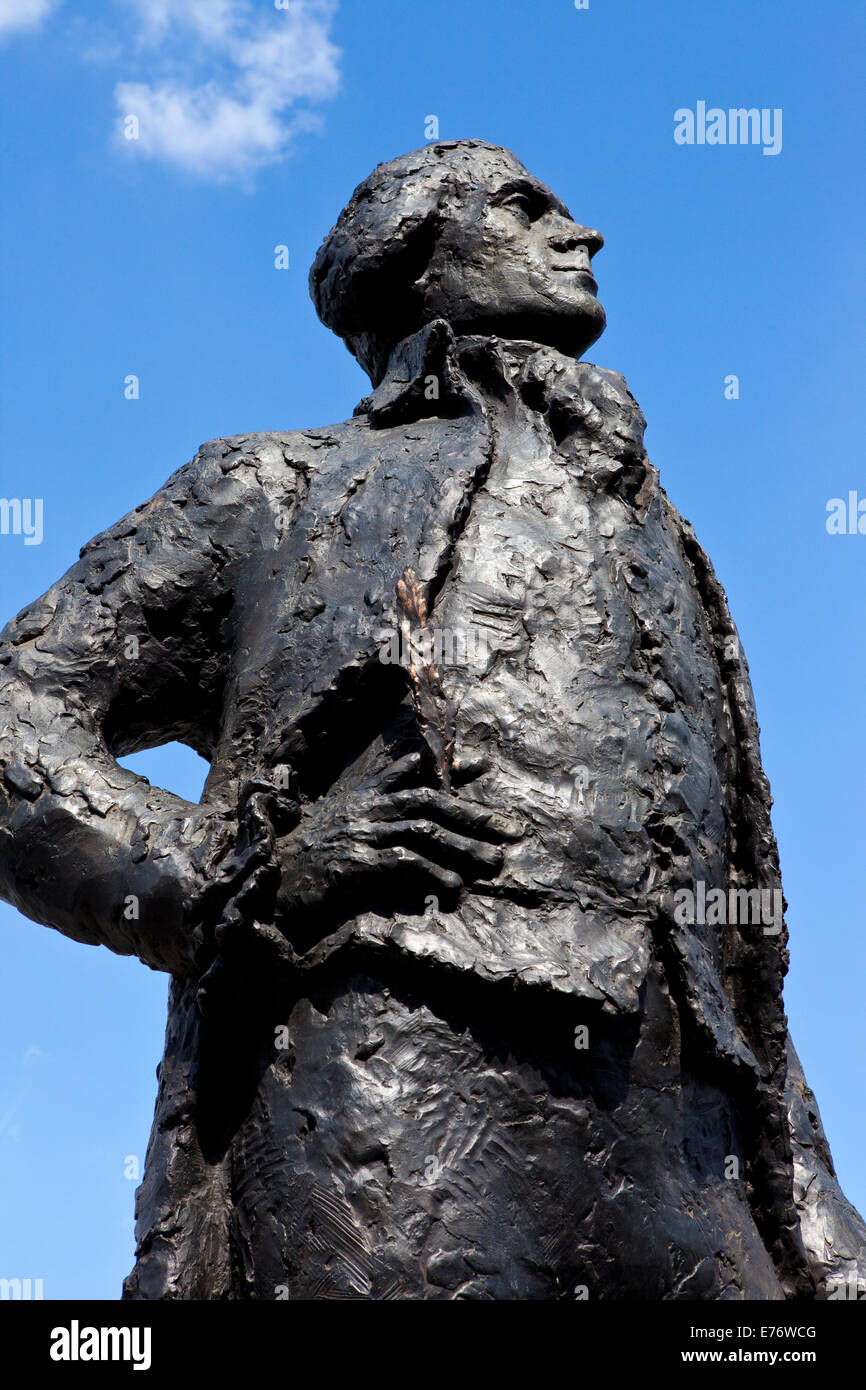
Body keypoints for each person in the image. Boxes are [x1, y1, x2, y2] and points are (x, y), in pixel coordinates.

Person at [0, 140, 861, 1299]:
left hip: (686, 1143)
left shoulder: (662, 532)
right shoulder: (271, 487)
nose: (581, 232)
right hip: (389, 1103)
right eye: (524, 206)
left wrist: (806, 1204)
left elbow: (734, 936)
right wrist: (231, 870)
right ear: (411, 259)